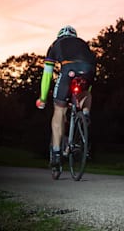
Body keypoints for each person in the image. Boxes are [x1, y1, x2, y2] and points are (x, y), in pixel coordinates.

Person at [36, 25, 96, 168]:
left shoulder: (56, 44)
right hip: (89, 69)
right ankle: (85, 114)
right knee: (86, 94)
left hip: (69, 69)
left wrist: (43, 98)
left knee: (59, 110)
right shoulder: (83, 43)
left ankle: (56, 153)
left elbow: (47, 74)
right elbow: (90, 84)